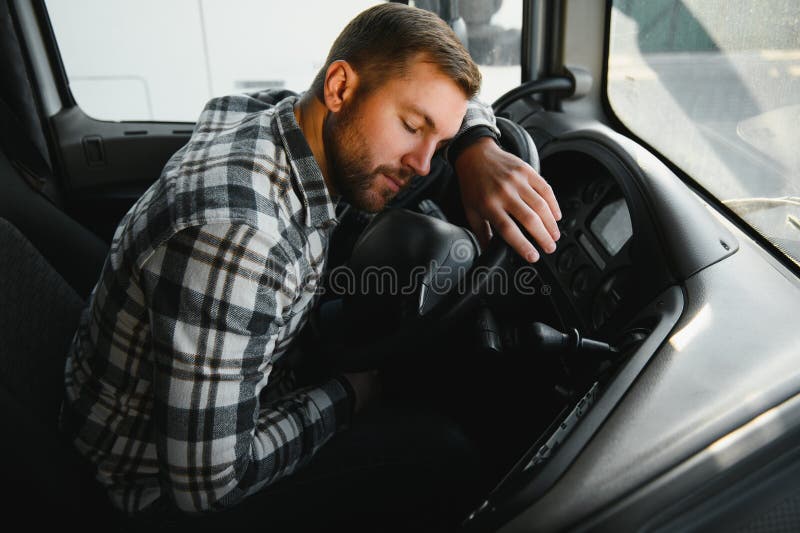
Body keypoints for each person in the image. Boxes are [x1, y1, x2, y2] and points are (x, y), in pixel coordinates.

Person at [60, 3, 561, 530]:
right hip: (146, 488)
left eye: (439, 142)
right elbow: (207, 486)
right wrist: (356, 391)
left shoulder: (270, 115)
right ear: (341, 87)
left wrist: (475, 148)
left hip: (209, 393)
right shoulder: (243, 239)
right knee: (444, 451)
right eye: (412, 127)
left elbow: (450, 100)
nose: (422, 165)